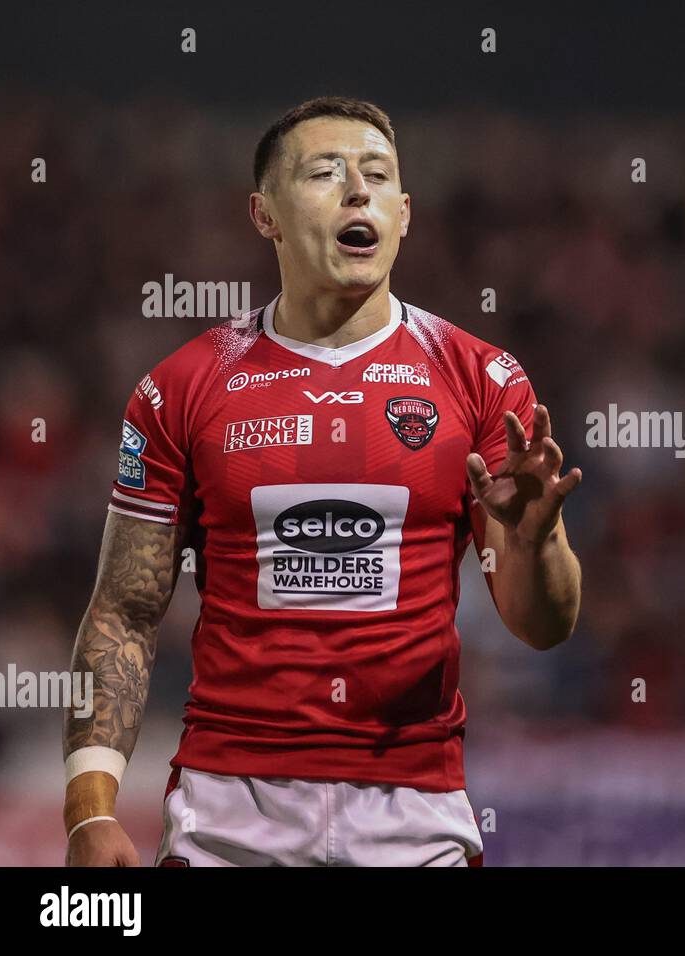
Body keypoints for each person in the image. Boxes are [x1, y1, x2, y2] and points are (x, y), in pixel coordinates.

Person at [64, 96, 583, 867]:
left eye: (377, 176)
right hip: (230, 814)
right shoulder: (183, 388)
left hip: (415, 817)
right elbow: (125, 614)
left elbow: (544, 627)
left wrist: (534, 543)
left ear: (404, 213)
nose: (357, 191)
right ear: (263, 213)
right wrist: (88, 809)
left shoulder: (482, 380)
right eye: (325, 173)